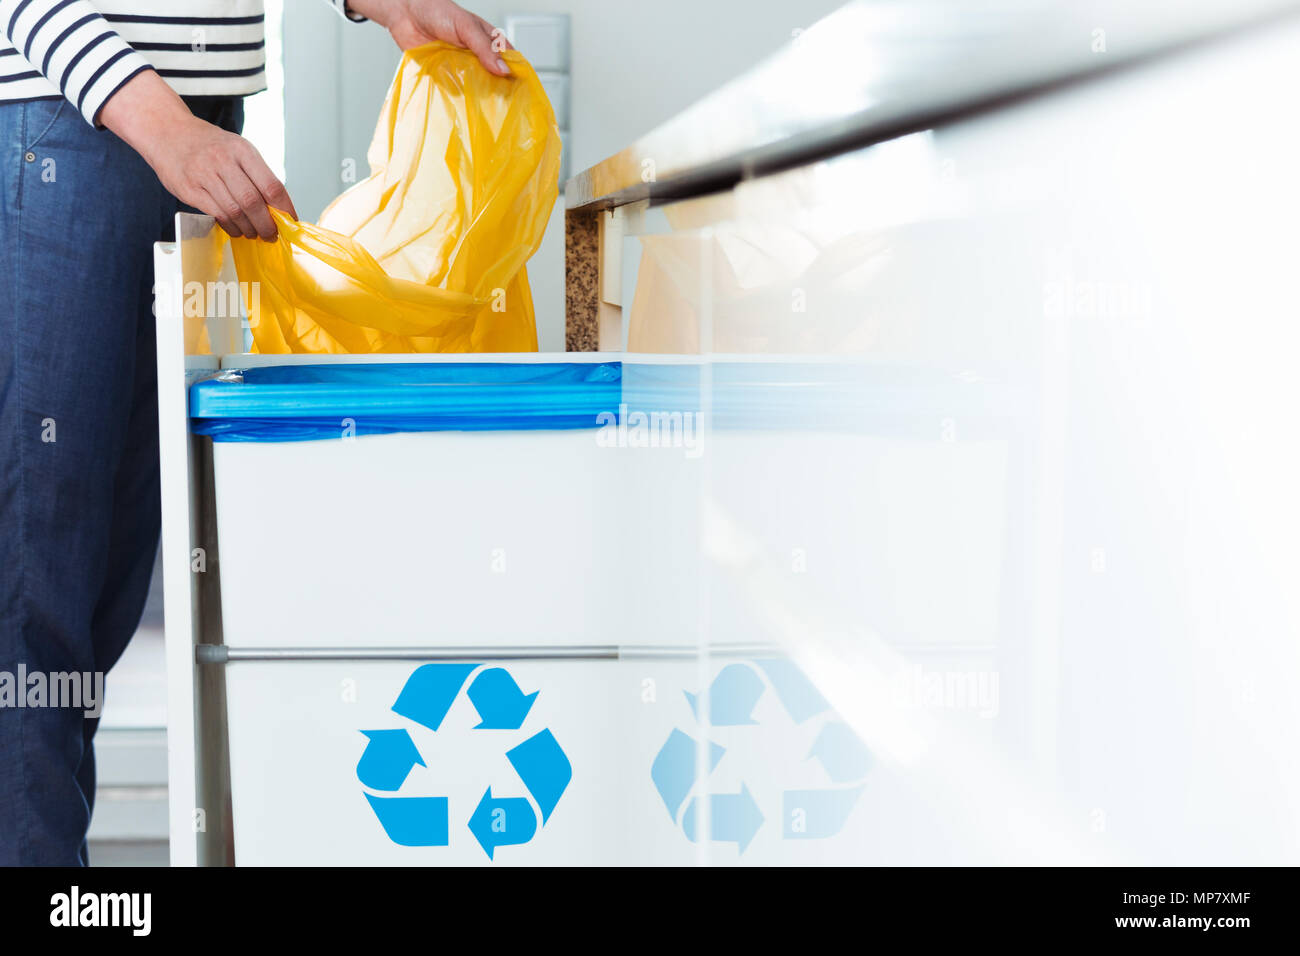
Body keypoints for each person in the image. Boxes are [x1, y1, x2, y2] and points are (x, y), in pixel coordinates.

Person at [0, 0, 511, 866]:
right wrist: (166, 128)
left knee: (99, 597)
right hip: (74, 121)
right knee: (36, 591)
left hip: (195, 128)